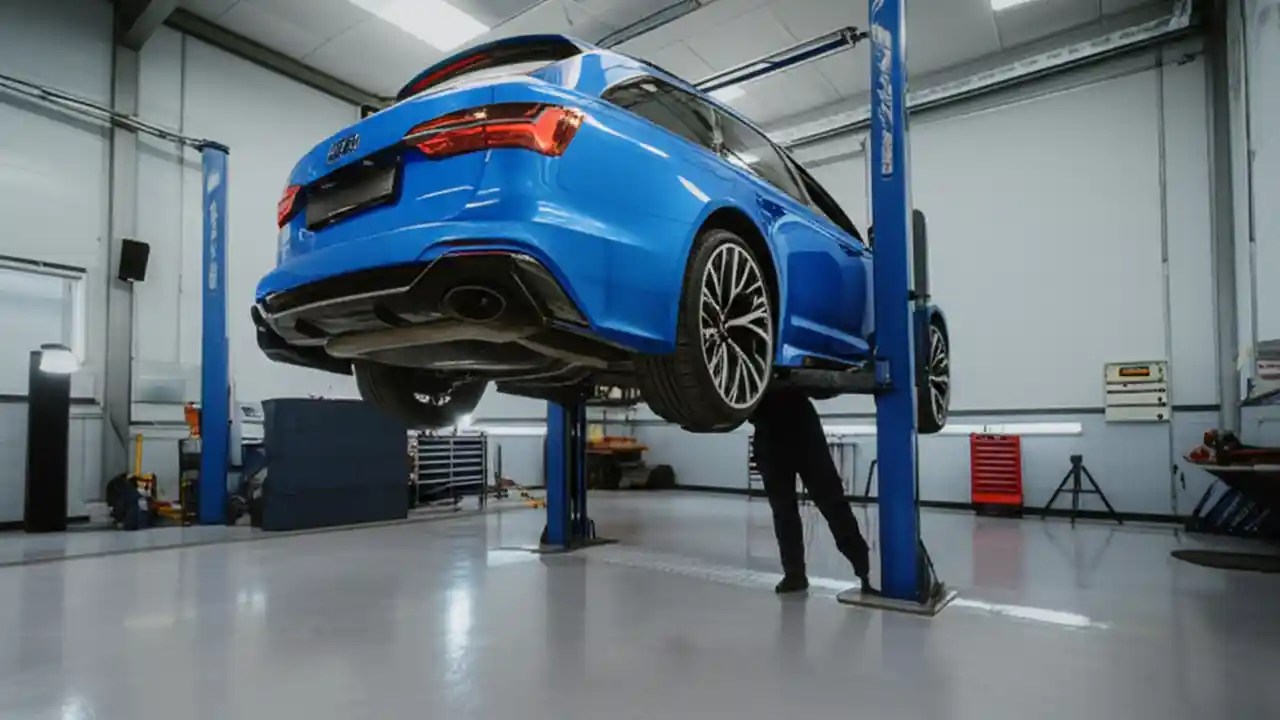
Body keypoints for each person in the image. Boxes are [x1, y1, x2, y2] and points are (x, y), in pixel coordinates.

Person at [750, 388, 874, 594]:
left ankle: (863, 570)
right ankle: (794, 574)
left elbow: (821, 387)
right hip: (769, 429)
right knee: (784, 511)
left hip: (798, 424)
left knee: (830, 499)